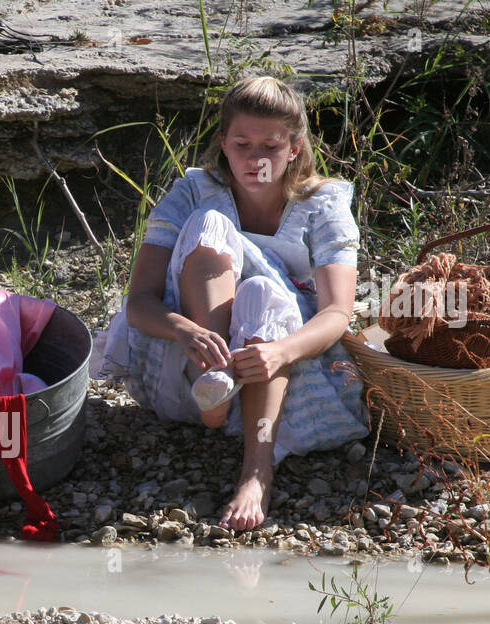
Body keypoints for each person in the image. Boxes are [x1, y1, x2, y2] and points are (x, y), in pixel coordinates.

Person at [97, 75, 369, 532]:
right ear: (223, 143)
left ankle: (256, 472)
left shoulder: (321, 205)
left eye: (270, 147)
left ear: (295, 149)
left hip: (277, 383)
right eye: (242, 143)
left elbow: (338, 313)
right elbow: (138, 304)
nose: (255, 159)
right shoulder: (195, 193)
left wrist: (281, 351)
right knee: (212, 223)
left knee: (264, 292)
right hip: (186, 375)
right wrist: (184, 329)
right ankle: (214, 384)